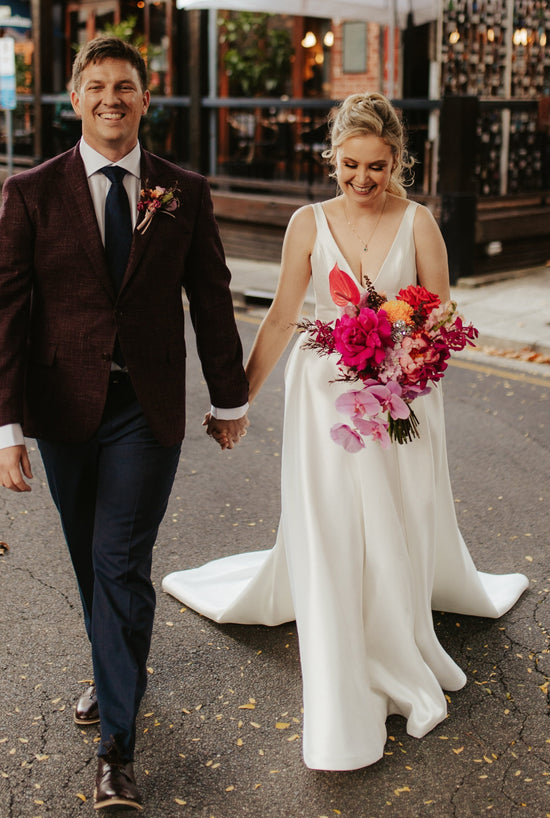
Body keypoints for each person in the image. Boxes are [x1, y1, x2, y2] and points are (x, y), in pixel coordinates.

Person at [163, 92, 528, 772]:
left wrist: (406, 348)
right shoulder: (308, 223)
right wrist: (236, 399)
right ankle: (339, 614)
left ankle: (395, 616)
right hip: (325, 393)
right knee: (334, 510)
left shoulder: (420, 223)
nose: (362, 179)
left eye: (377, 167)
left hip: (400, 391)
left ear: (398, 161)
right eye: (350, 165)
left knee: (397, 509)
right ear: (332, 156)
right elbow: (279, 318)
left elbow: (444, 317)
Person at [0, 36, 249, 810]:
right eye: (96, 86)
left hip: (145, 409)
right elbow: (0, 312)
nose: (111, 99)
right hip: (62, 411)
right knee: (89, 558)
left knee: (121, 562)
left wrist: (228, 399)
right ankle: (112, 671)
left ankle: (116, 752)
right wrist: (4, 427)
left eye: (125, 86)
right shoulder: (30, 191)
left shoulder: (182, 190)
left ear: (146, 97)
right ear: (74, 98)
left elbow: (214, 296)